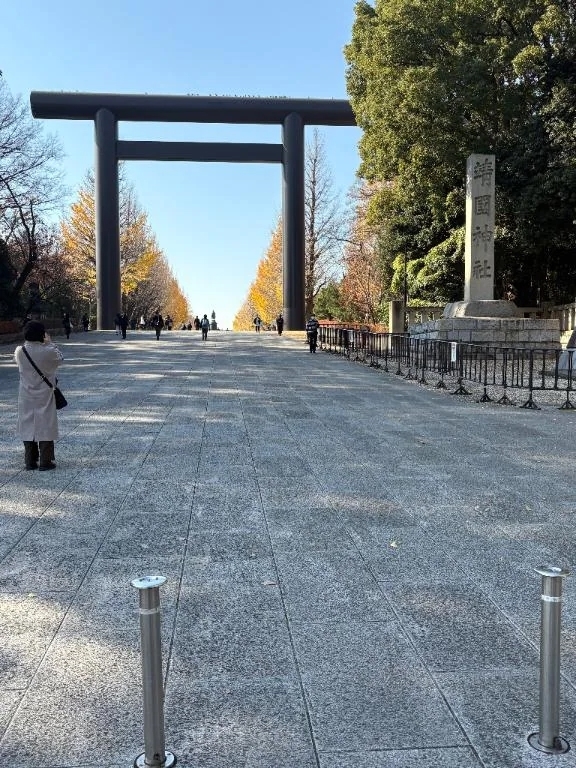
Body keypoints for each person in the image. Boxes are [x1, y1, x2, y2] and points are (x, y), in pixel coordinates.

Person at [14, 321, 64, 471]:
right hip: (45, 393)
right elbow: (60, 358)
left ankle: (30, 461)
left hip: (26, 393)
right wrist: (50, 343)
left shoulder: (20, 351)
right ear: (42, 334)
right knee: (46, 425)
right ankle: (45, 461)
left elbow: (19, 363)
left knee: (27, 425)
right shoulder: (49, 351)